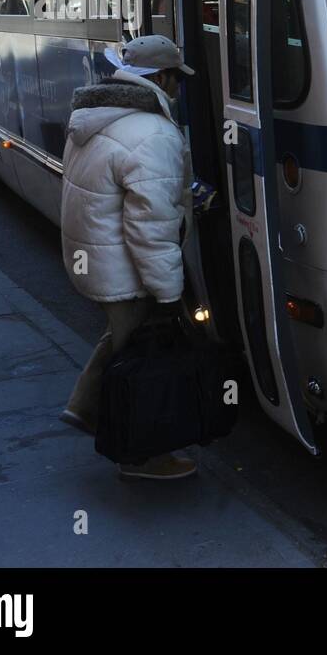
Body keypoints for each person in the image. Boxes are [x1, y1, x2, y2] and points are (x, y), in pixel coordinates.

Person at [58, 34, 197, 481]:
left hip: (93, 255)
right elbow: (150, 228)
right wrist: (169, 292)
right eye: (176, 77)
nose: (178, 88)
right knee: (143, 360)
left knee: (124, 338)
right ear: (160, 78)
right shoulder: (152, 132)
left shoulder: (96, 115)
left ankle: (83, 407)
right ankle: (142, 456)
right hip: (123, 264)